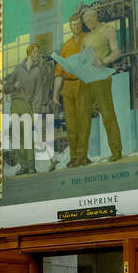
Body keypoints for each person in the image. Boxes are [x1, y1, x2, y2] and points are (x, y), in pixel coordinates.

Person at [80, 6, 123, 161]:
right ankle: (82, 156)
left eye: (89, 19)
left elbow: (117, 52)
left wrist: (103, 61)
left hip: (102, 79)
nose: (87, 23)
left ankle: (116, 151)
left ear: (96, 16)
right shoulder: (86, 38)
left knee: (107, 115)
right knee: (83, 117)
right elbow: (82, 57)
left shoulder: (108, 30)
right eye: (85, 21)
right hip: (87, 79)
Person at [3, 44, 47, 174]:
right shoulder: (18, 69)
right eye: (34, 52)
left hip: (29, 104)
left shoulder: (38, 71)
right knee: (17, 135)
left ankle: (31, 165)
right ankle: (23, 165)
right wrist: (14, 86)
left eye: (37, 53)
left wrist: (37, 110)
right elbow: (6, 88)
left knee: (27, 134)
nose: (36, 55)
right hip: (16, 104)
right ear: (29, 53)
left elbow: (39, 92)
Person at [53, 13, 89, 167]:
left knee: (84, 122)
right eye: (73, 24)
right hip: (68, 87)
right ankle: (74, 157)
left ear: (81, 24)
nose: (76, 27)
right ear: (70, 26)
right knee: (72, 124)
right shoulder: (66, 47)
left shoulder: (87, 39)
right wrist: (55, 93)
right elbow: (59, 73)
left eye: (78, 24)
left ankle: (82, 156)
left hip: (83, 84)